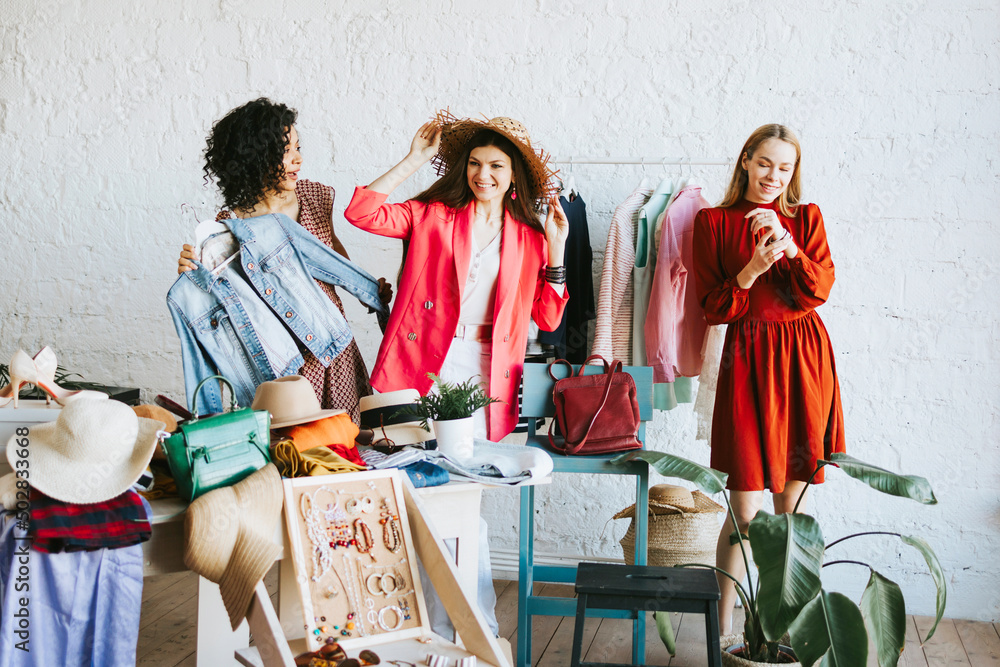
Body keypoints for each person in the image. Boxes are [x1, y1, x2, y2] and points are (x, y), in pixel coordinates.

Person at [692, 124, 846, 633]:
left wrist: (788, 246)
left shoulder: (807, 217)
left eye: (785, 168)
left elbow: (816, 290)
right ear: (745, 162)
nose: (773, 176)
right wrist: (753, 268)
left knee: (790, 511)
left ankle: (784, 630)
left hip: (802, 360)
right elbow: (713, 308)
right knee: (743, 509)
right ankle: (722, 631)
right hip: (747, 362)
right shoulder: (712, 222)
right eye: (764, 164)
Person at [344, 111, 569, 441]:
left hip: (486, 366)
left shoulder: (531, 239)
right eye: (475, 163)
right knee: (406, 454)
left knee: (469, 466)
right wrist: (414, 159)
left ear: (513, 175)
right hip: (422, 355)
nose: (483, 174)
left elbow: (548, 320)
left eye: (496, 166)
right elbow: (361, 213)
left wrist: (557, 248)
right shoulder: (433, 216)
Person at [177, 98, 391, 421]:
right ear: (255, 158)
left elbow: (331, 253)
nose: (298, 159)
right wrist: (193, 271)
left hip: (334, 341)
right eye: (285, 151)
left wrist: (367, 288)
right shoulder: (231, 226)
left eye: (298, 147)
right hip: (283, 360)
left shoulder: (314, 197)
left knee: (347, 442)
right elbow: (227, 297)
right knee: (294, 449)